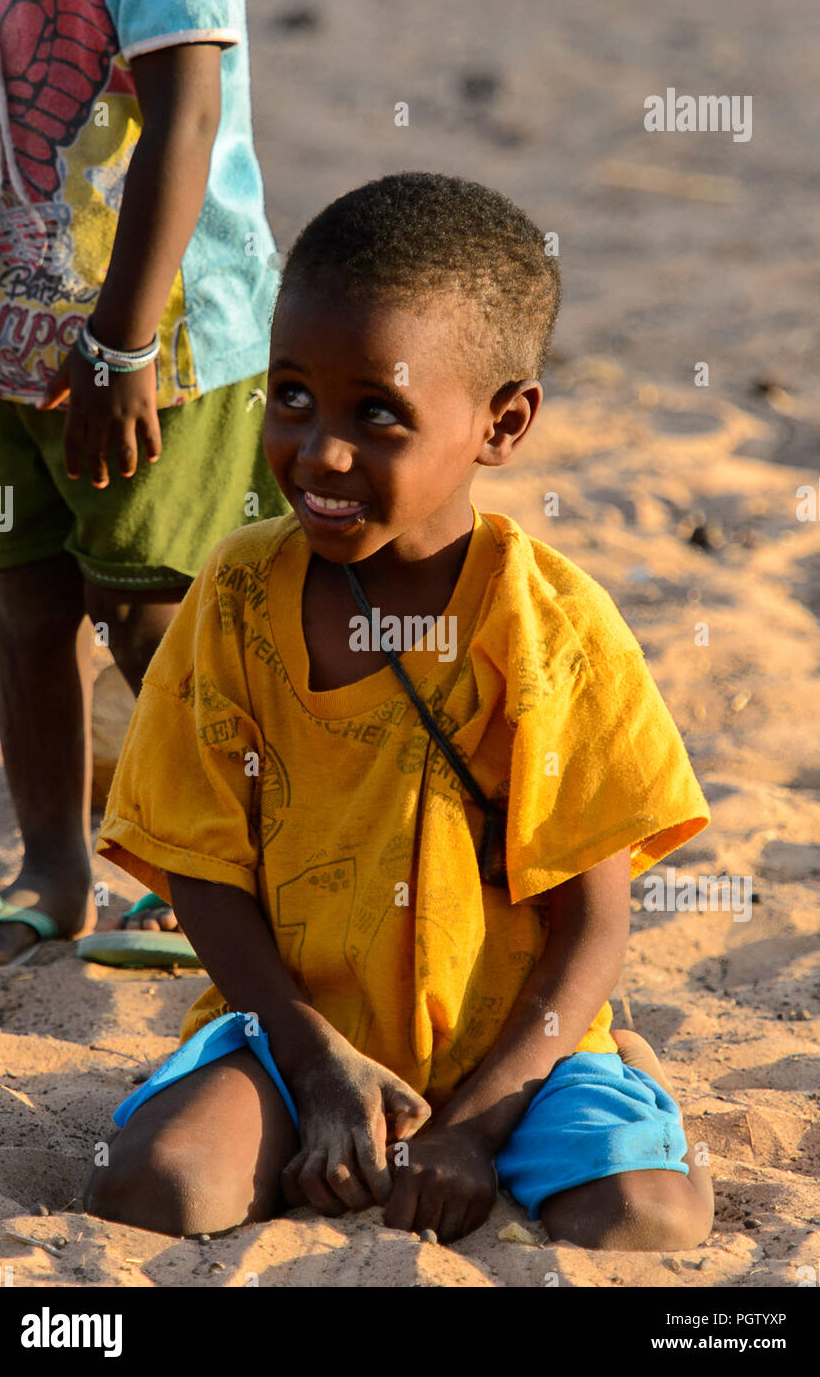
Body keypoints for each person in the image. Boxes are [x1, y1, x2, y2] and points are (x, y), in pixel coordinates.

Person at [86, 173, 714, 1249]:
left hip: (518, 1044)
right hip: (291, 1032)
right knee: (161, 1187)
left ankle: (615, 1078)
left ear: (501, 423)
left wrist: (474, 1124)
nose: (320, 451)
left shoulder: (547, 626)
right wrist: (310, 1056)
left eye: (376, 412)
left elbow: (595, 917)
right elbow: (200, 865)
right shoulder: (235, 596)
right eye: (292, 396)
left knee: (642, 1218)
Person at [0, 0, 287, 965]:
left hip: (167, 346)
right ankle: (56, 871)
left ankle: (245, 880)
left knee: (149, 615)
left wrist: (120, 345)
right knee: (26, 598)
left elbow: (185, 118)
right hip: (21, 333)